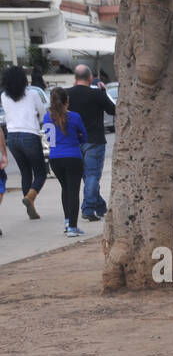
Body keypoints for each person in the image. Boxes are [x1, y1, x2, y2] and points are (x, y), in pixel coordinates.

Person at [66, 64, 115, 222]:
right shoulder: (97, 94)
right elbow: (113, 110)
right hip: (94, 139)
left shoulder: (67, 94)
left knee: (87, 176)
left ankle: (99, 205)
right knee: (92, 175)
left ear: (75, 78)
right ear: (90, 78)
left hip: (74, 140)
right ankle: (88, 208)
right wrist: (103, 93)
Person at [1, 65, 48, 219]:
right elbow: (42, 114)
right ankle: (30, 198)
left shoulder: (3, 96)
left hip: (12, 138)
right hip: (30, 135)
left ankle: (31, 207)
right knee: (40, 172)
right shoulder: (32, 94)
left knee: (25, 172)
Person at [42, 87, 88, 237]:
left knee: (65, 189)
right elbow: (84, 137)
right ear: (67, 101)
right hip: (73, 156)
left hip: (55, 158)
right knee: (73, 192)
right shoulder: (75, 117)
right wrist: (76, 138)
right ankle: (73, 228)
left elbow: (50, 139)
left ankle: (68, 222)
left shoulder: (47, 118)